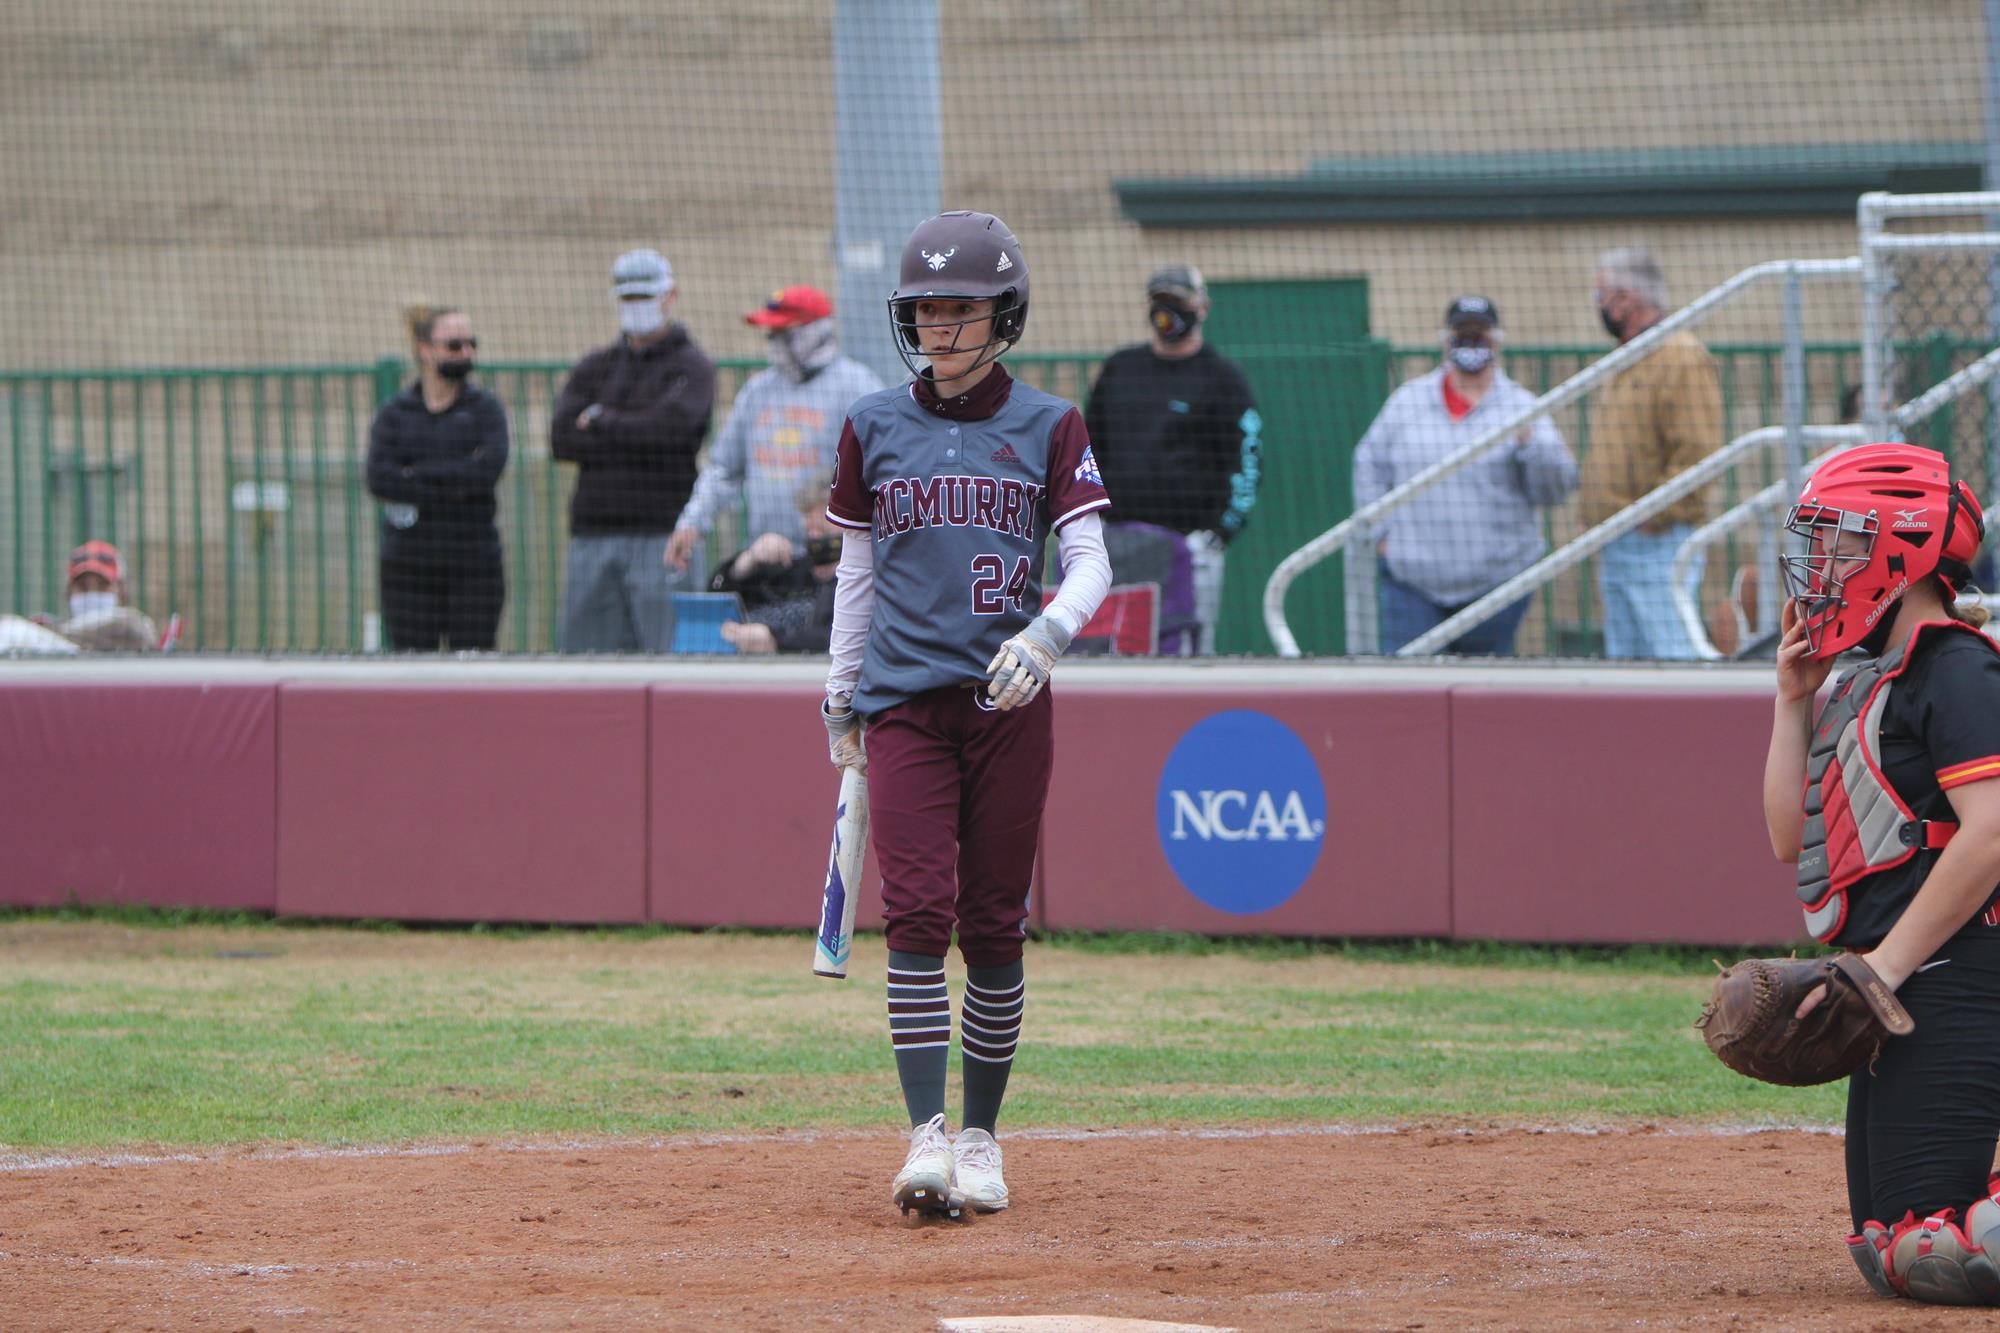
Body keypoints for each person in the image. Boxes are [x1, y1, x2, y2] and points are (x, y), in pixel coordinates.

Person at [821, 211, 1111, 1219]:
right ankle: (924, 1136)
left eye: (960, 307)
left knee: (992, 921)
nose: (940, 325)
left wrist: (1046, 636)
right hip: (901, 701)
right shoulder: (869, 423)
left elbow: (1088, 561)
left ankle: (982, 1138)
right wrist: (836, 692)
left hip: (1006, 701)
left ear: (1002, 313)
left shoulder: (1049, 423)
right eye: (926, 308)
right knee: (913, 915)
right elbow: (856, 572)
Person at [1764, 442, 2000, 1305]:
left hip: (1956, 975)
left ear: (1900, 552)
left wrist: (1882, 968)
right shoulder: (1867, 677)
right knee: (1886, 1245)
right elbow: (1788, 838)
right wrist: (1792, 698)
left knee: (1922, 1241)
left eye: (1843, 544)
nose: (1823, 566)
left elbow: (1992, 833)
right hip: (1899, 984)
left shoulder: (1959, 664)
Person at [1352, 296, 1576, 655]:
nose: (1471, 342)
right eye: (1462, 333)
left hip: (1494, 587)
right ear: (1445, 340)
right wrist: (1381, 534)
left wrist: (1532, 445)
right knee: (1410, 692)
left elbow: (1556, 490)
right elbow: (1368, 463)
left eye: (1479, 334)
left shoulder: (1522, 406)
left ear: (1497, 341)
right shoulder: (1407, 402)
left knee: (1482, 695)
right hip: (1413, 581)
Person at [1083, 265, 1259, 654]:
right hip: (1119, 544)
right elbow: (1088, 448)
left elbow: (1247, 462)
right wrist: (1092, 523)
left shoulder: (1223, 378)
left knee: (1188, 650)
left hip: (1190, 548)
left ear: (1202, 307)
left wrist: (1218, 534)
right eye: (1160, 301)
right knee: (1109, 650)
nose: (1167, 311)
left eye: (1178, 302)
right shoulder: (1120, 370)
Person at [551, 248, 716, 652]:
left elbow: (674, 431)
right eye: (627, 299)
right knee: (586, 661)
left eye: (644, 297)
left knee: (672, 657)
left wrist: (604, 421)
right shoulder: (595, 366)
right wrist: (641, 427)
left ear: (669, 296)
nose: (635, 307)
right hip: (593, 536)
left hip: (663, 535)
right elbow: (562, 438)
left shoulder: (692, 367)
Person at [665, 285, 882, 577]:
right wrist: (692, 522)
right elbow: (723, 469)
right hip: (764, 556)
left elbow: (880, 474)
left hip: (830, 563)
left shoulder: (857, 386)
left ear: (816, 332)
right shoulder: (758, 391)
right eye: (772, 335)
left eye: (785, 334)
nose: (776, 343)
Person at [1579, 247, 1724, 659]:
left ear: (1626, 299)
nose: (1599, 307)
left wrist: (1652, 517)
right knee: (1628, 664)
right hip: (1618, 537)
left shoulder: (1680, 356)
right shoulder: (1630, 358)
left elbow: (1697, 454)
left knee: (1669, 658)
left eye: (1601, 296)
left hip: (1657, 541)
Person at [365, 304, 509, 651]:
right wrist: (455, 477)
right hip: (407, 567)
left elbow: (486, 471)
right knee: (413, 669)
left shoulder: (484, 409)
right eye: (454, 345)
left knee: (473, 667)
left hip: (473, 565)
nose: (466, 353)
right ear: (425, 350)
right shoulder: (396, 414)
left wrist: (416, 474)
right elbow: (379, 478)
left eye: (471, 344)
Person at [710, 473, 842, 655]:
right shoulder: (792, 570)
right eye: (809, 529)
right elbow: (714, 598)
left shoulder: (861, 583)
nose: (814, 538)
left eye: (822, 530)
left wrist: (775, 641)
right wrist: (748, 561)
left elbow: (834, 639)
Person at [55, 540, 159, 652]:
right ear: (69, 592)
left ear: (121, 591)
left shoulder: (134, 631)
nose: (92, 594)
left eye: (102, 586)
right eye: (83, 586)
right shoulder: (51, 642)